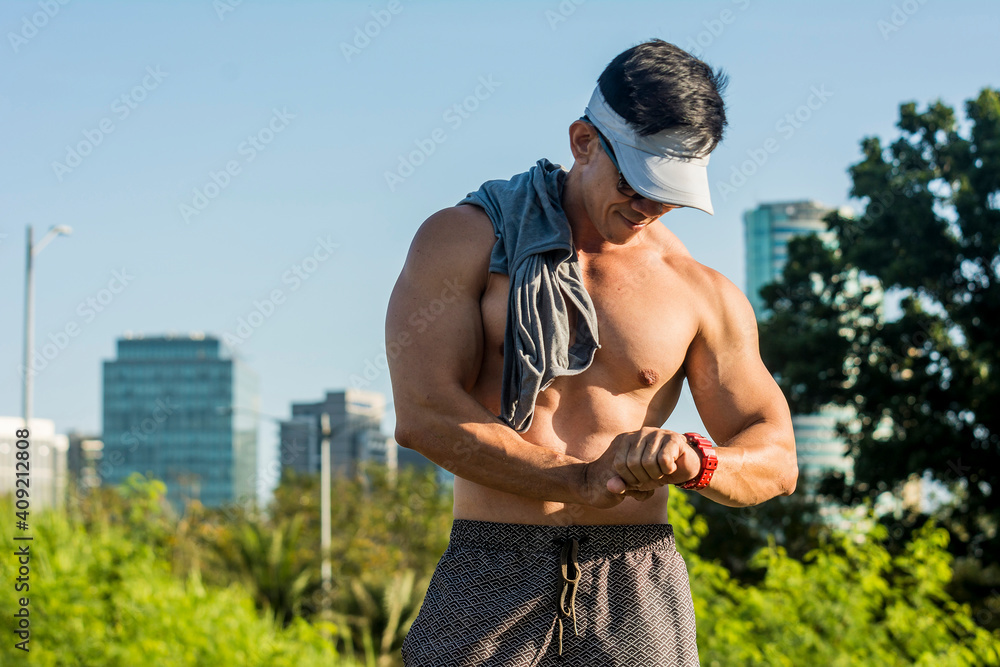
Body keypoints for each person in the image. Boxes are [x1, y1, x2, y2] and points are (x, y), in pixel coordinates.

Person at [387, 39, 797, 667]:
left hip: (636, 579)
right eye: (637, 182)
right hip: (491, 566)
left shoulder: (698, 290)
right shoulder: (463, 240)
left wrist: (697, 461)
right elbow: (424, 414)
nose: (649, 207)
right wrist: (576, 480)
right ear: (583, 142)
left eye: (670, 192)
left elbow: (776, 458)